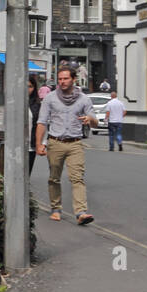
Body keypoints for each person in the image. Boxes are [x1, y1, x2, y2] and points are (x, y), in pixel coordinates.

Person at [35, 64, 98, 225]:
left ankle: (81, 212)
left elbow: (95, 123)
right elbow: (41, 122)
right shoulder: (50, 98)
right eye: (60, 79)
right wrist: (39, 144)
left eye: (66, 78)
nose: (62, 82)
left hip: (75, 143)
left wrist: (90, 119)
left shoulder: (84, 99)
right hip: (55, 142)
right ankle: (56, 209)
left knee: (77, 178)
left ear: (73, 79)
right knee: (54, 178)